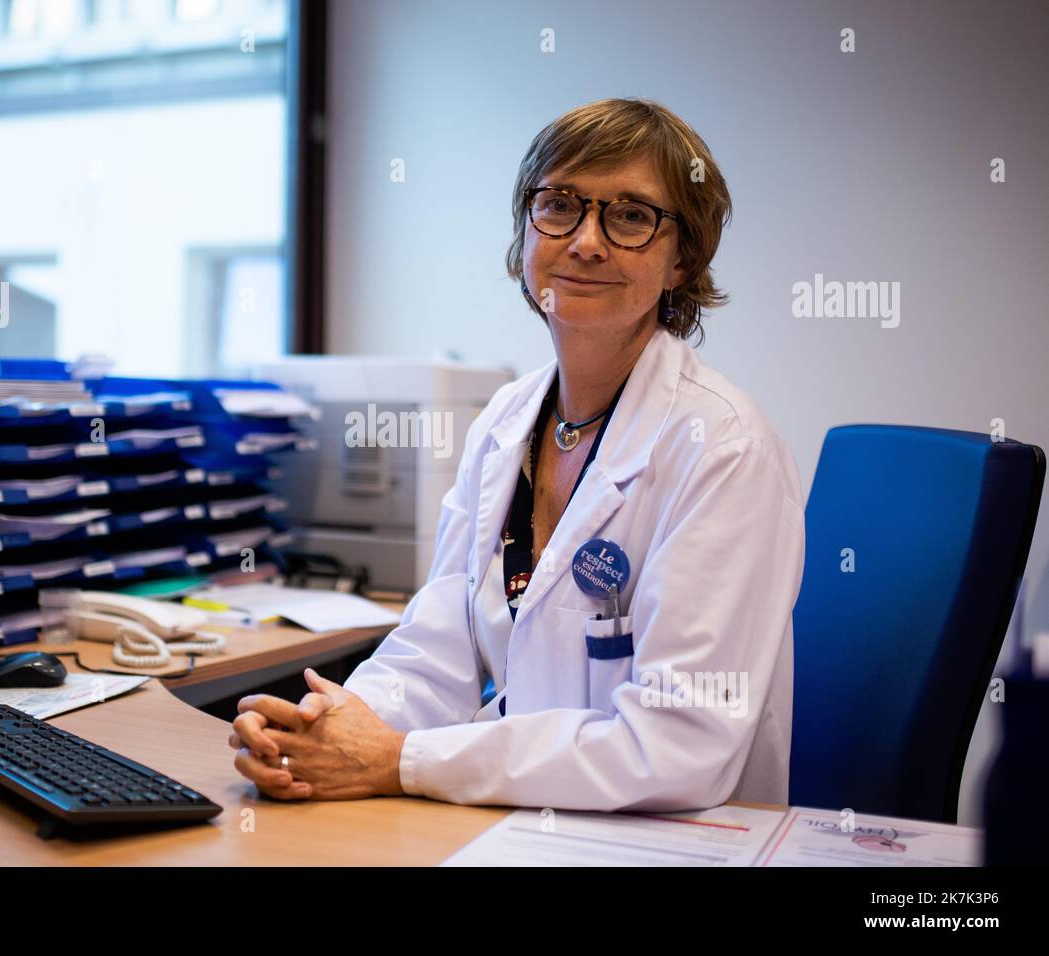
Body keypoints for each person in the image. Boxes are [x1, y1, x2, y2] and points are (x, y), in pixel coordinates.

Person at [229, 97, 805, 811]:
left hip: (668, 843)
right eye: (561, 205)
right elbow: (438, 652)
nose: (587, 241)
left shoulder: (723, 448)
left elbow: (677, 749)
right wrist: (326, 728)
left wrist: (400, 759)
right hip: (523, 824)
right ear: (526, 233)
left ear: (682, 258)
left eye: (630, 216)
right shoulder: (506, 420)